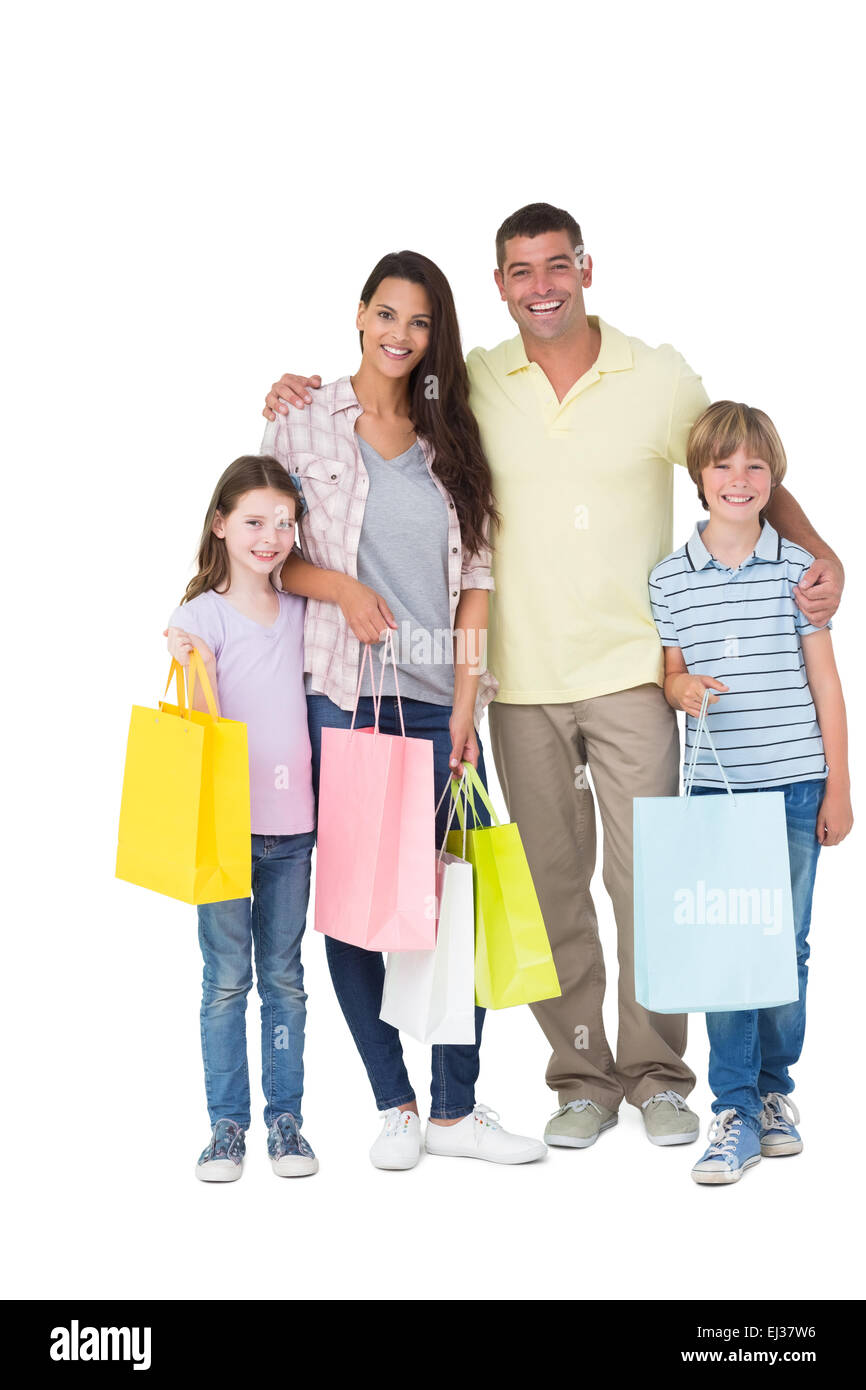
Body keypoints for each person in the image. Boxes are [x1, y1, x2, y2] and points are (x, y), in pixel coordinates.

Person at [262, 203, 844, 1153]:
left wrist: (820, 555)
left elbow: (737, 468)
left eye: (557, 265)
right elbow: (372, 410)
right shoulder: (476, 382)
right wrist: (293, 389)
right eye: (522, 271)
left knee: (649, 883)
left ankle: (658, 1075)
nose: (542, 286)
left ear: (586, 268)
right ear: (499, 285)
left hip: (633, 673)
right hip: (517, 684)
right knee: (551, 892)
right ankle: (581, 1079)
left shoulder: (657, 376)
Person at [261, 249, 546, 1170]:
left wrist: (465, 705)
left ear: (435, 336)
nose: (400, 335)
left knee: (458, 901)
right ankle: (396, 1103)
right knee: (357, 906)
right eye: (387, 314)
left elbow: (477, 585)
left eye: (420, 322)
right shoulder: (301, 419)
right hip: (345, 701)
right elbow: (266, 553)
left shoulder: (452, 437)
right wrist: (343, 588)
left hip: (437, 705)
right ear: (359, 314)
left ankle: (456, 1114)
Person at [649, 401, 852, 1184]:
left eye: (755, 466)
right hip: (716, 794)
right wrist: (680, 689)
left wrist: (839, 785)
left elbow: (826, 683)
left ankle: (773, 1089)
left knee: (786, 947)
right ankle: (732, 1106)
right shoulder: (670, 578)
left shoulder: (798, 570)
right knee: (728, 949)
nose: (740, 479)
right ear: (699, 477)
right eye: (723, 465)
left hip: (797, 789)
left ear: (774, 478)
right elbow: (671, 674)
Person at [166, 455, 319, 1182]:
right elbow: (202, 723)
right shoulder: (200, 617)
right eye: (254, 521)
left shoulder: (301, 609)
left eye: (284, 523)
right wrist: (187, 656)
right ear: (221, 524)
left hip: (293, 827)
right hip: (223, 828)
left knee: (284, 978)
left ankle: (285, 1122)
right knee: (226, 980)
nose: (270, 537)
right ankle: (226, 1127)